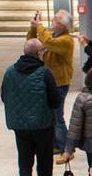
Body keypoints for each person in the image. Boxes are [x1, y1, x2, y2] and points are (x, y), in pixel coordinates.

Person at [2, 39, 63, 176]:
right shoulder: (44, 73)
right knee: (44, 160)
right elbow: (55, 101)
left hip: (20, 127)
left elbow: (4, 96)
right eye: (43, 51)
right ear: (38, 54)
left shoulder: (9, 72)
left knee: (24, 163)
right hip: (42, 125)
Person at [29, 9, 75, 151]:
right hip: (50, 80)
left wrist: (39, 26)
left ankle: (65, 146)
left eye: (56, 19)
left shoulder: (66, 40)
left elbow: (48, 42)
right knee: (51, 115)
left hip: (60, 82)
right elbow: (32, 43)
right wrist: (32, 29)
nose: (52, 21)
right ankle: (55, 144)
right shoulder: (53, 35)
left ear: (63, 25)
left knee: (57, 116)